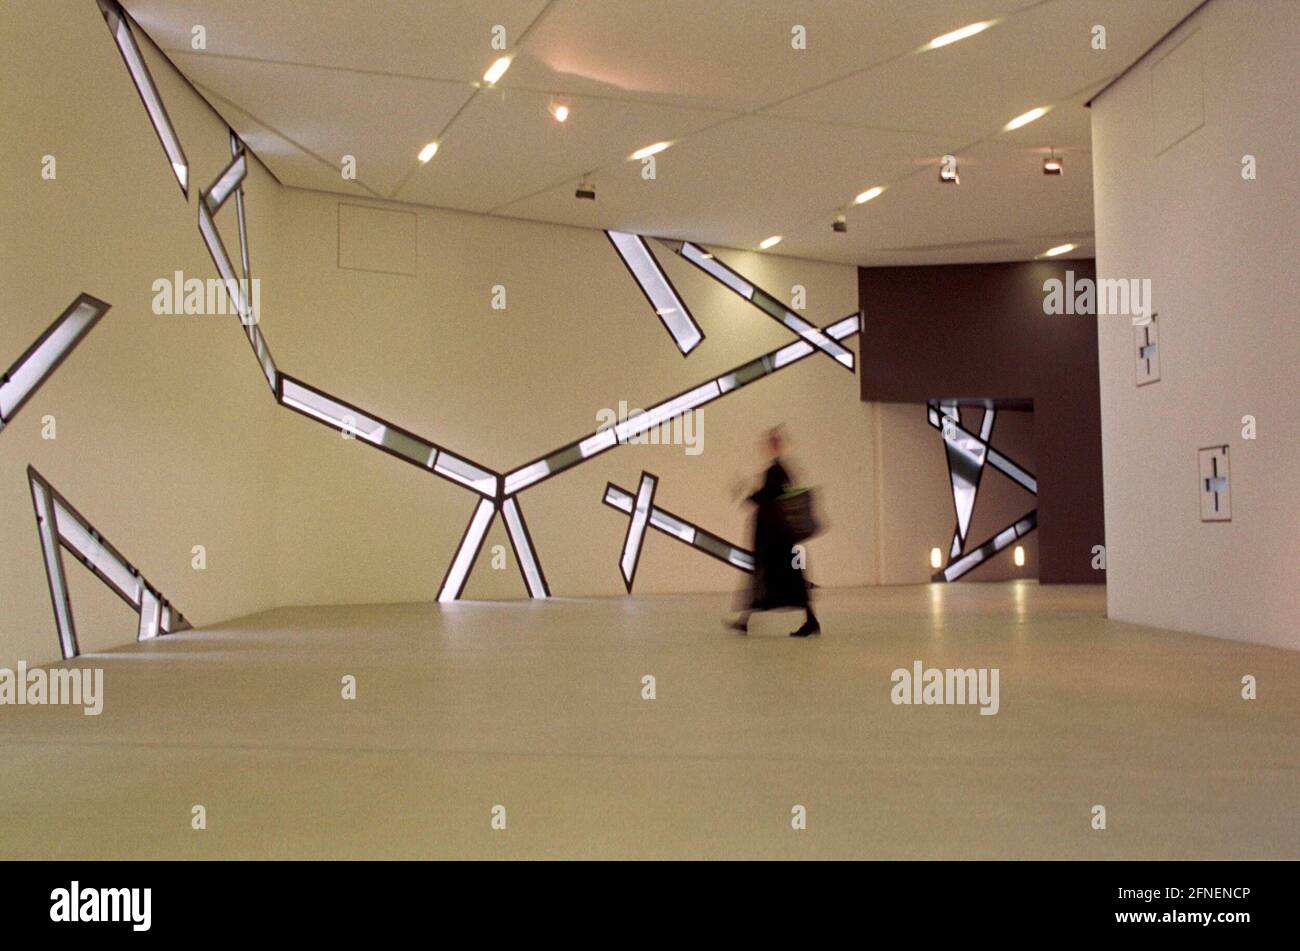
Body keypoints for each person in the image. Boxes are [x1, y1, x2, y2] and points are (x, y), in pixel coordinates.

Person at [727, 427, 820, 637]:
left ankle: (746, 621)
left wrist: (748, 495)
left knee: (768, 576)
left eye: (770, 443)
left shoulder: (776, 470)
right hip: (778, 536)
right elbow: (775, 494)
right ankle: (746, 621)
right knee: (778, 577)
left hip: (775, 537)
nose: (767, 446)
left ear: (776, 445)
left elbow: (768, 495)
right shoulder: (779, 469)